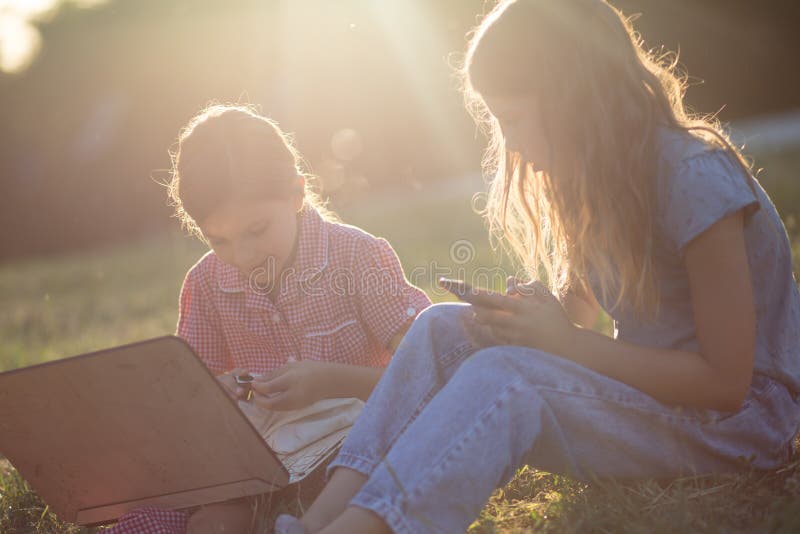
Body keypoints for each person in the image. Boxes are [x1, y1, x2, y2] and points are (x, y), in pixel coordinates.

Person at [275, 1, 800, 532]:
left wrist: (560, 342)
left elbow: (725, 382)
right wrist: (529, 321)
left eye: (513, 119)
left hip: (737, 427)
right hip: (654, 401)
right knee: (440, 328)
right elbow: (577, 320)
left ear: (574, 99)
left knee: (505, 376)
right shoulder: (591, 181)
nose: (512, 144)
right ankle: (315, 521)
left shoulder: (693, 176)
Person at [107, 104, 431, 533]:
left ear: (296, 194)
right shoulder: (206, 284)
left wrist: (330, 380)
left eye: (257, 230)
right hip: (255, 467)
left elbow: (430, 373)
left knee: (376, 477)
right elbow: (188, 402)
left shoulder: (357, 258)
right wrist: (216, 394)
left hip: (354, 450)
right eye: (218, 240)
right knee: (198, 518)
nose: (241, 258)